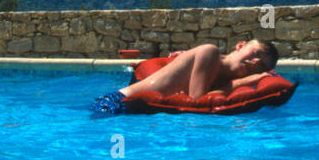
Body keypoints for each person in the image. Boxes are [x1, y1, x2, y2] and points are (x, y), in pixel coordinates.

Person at [92, 40, 278, 116]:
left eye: (260, 65)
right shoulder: (210, 53)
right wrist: (246, 81)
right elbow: (197, 100)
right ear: (240, 45)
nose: (255, 62)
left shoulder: (223, 81)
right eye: (256, 53)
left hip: (135, 111)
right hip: (116, 104)